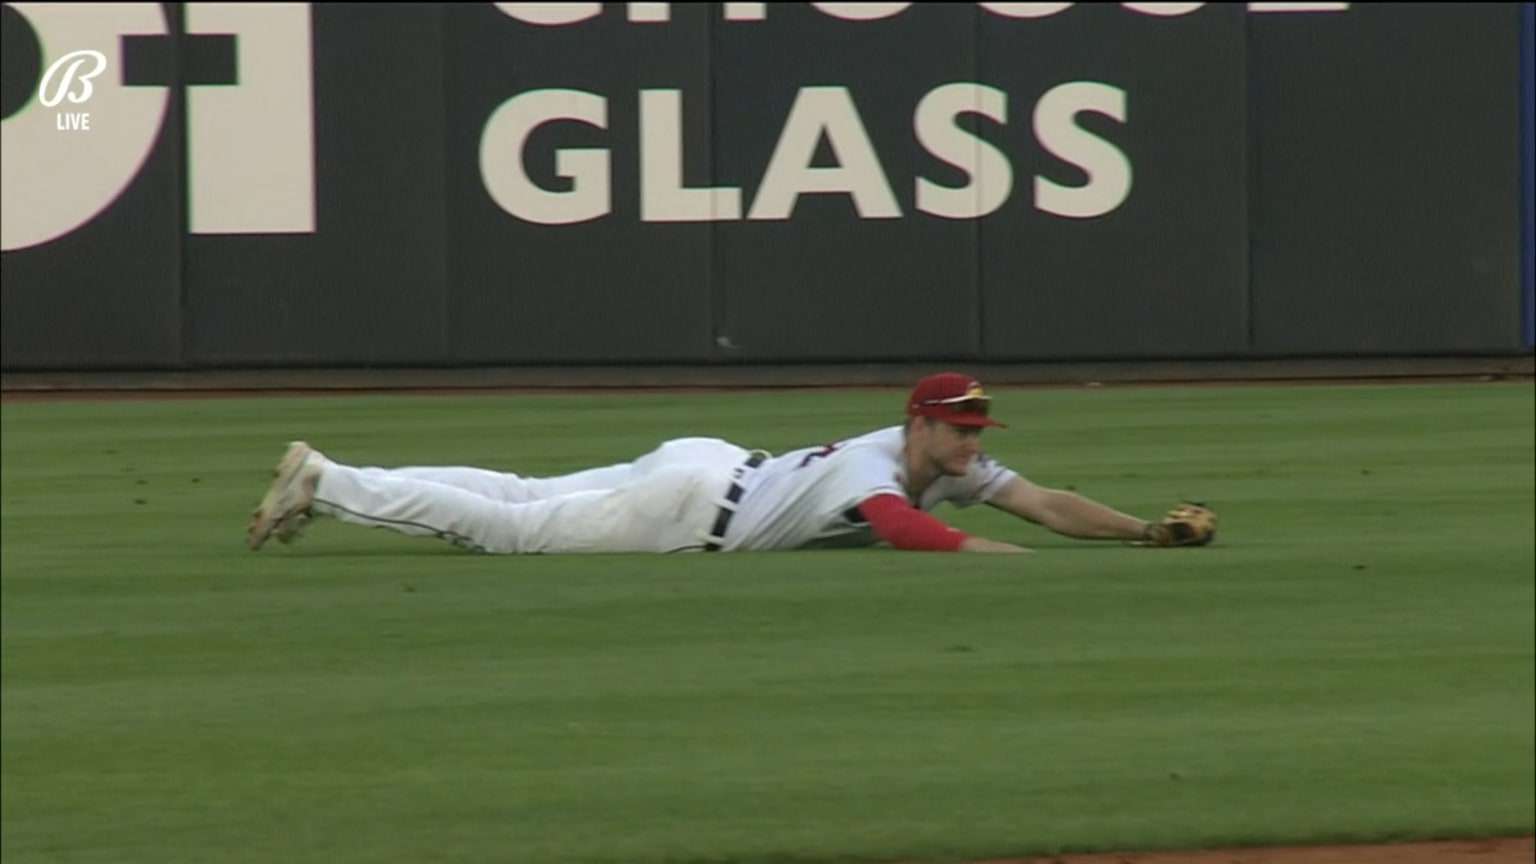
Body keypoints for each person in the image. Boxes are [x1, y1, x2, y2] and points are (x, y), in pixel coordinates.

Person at [244, 372, 1216, 555]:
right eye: (958, 429)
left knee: (524, 494)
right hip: (688, 510)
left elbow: (1043, 501)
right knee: (514, 530)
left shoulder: (944, 465)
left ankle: (331, 475)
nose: (972, 444)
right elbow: (904, 530)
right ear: (917, 424)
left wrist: (1142, 532)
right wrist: (1009, 562)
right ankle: (328, 482)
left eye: (976, 430)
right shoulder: (875, 468)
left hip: (712, 466)